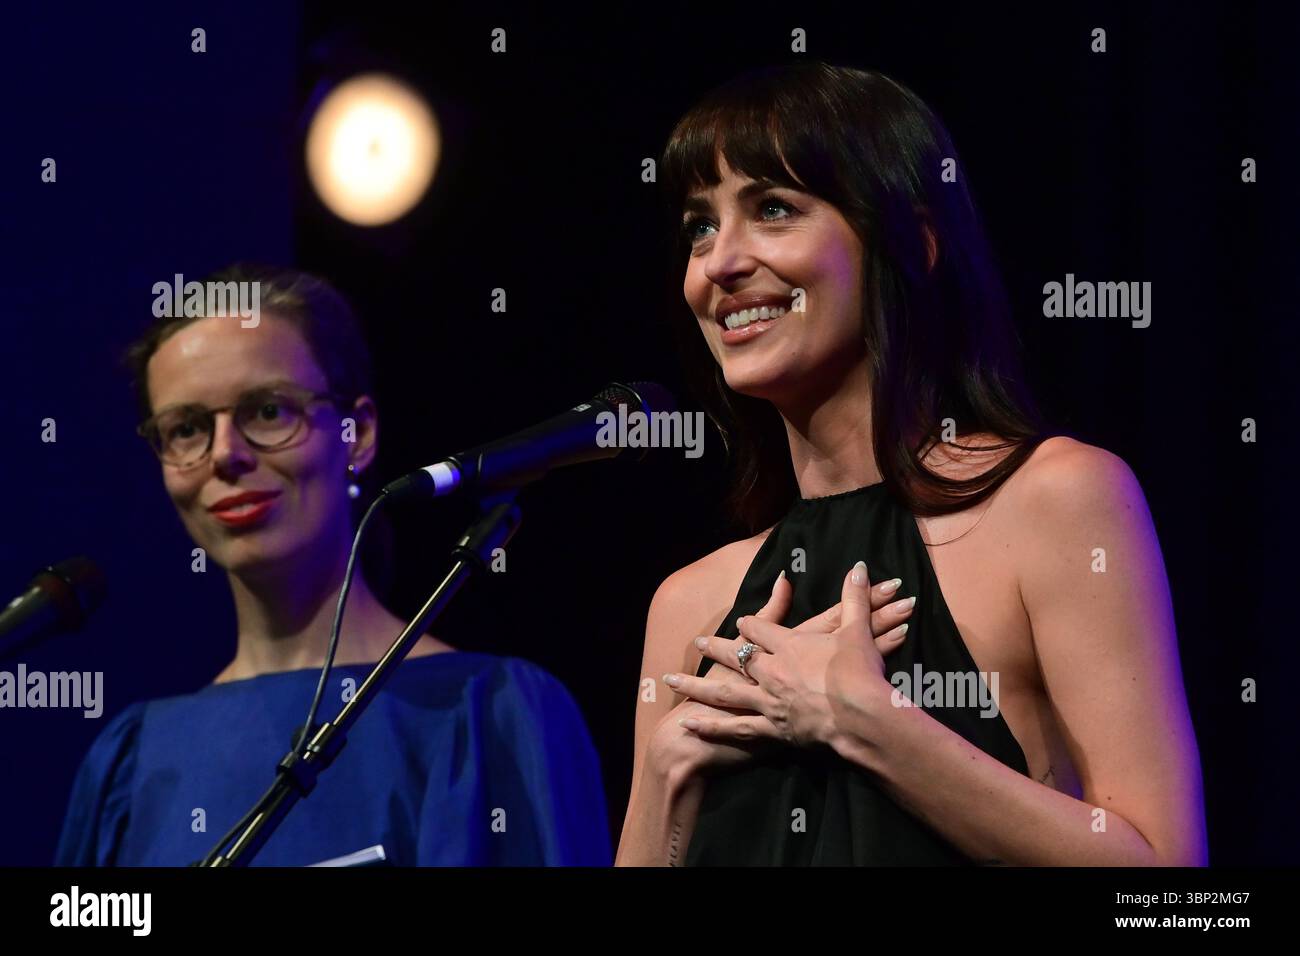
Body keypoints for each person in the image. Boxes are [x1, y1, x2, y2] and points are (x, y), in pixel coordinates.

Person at [616, 62, 1207, 866]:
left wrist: (870, 723)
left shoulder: (1058, 502)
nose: (719, 263)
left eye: (773, 209)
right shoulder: (688, 605)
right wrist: (666, 785)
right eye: (699, 226)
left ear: (910, 242)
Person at [55, 263, 610, 866]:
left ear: (358, 432)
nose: (225, 455)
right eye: (186, 428)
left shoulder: (490, 715)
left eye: (267, 411)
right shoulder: (133, 765)